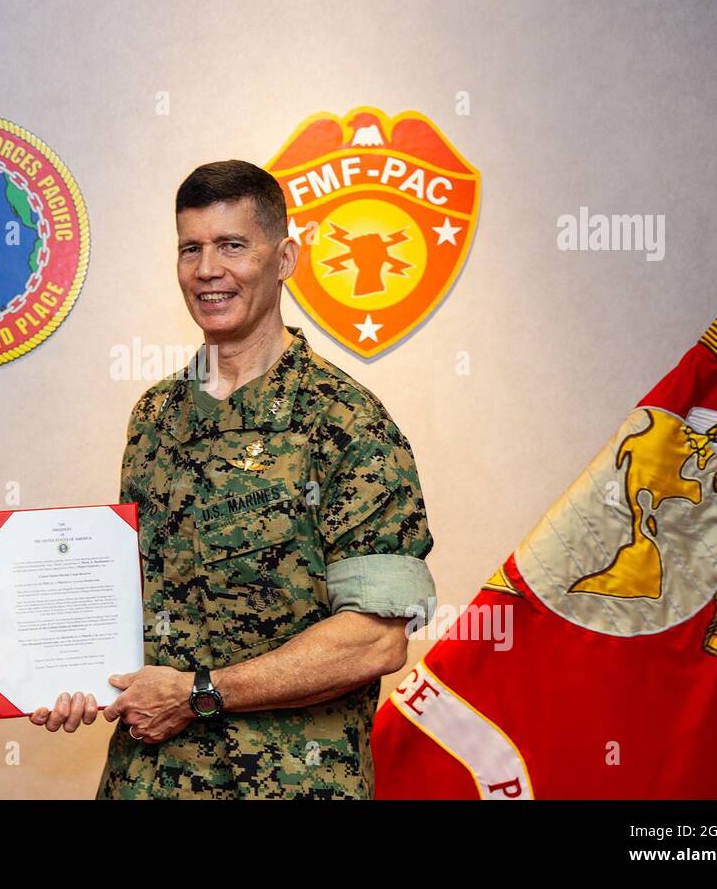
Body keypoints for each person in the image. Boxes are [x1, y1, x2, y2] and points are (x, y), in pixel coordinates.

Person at [30, 159, 437, 798]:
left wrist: (198, 695)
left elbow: (376, 640)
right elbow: (130, 606)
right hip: (148, 782)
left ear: (284, 259)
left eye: (231, 246)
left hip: (292, 784)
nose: (207, 270)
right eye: (190, 248)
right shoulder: (155, 417)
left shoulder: (343, 420)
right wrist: (68, 673)